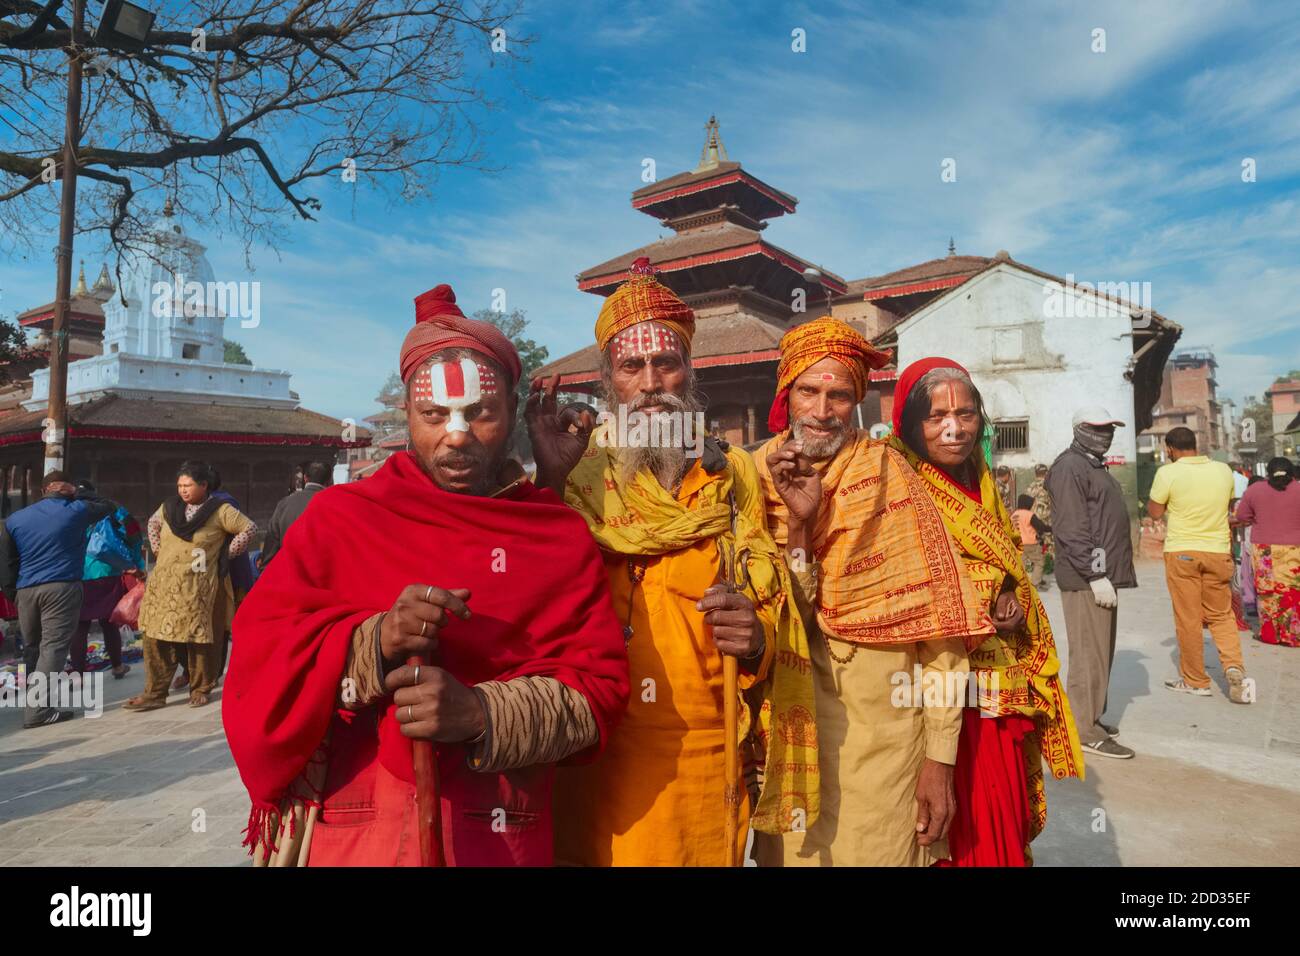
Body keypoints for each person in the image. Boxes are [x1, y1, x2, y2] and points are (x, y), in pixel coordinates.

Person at [224, 285, 629, 867]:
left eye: (480, 413)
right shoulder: (342, 520)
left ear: (513, 411)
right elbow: (261, 654)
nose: (456, 435)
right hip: (359, 823)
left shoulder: (556, 538)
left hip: (501, 828)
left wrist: (482, 714)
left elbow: (602, 693)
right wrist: (375, 642)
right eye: (433, 415)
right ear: (407, 416)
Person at [528, 256, 817, 866]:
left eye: (667, 363)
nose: (651, 380)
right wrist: (548, 485)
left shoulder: (735, 473)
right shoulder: (576, 474)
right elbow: (528, 603)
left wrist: (759, 638)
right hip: (599, 755)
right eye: (632, 366)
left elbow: (776, 599)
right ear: (609, 379)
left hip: (708, 755)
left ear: (689, 372)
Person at [752, 319, 995, 867]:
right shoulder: (750, 477)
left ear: (857, 401)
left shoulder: (893, 476)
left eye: (838, 395)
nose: (821, 410)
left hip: (887, 747)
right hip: (788, 735)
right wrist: (798, 526)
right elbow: (776, 612)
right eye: (808, 391)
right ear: (786, 394)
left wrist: (940, 760)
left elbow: (943, 643)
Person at [891, 358, 1083, 865]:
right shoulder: (895, 486)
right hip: (927, 688)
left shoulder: (981, 482)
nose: (954, 428)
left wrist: (1012, 602)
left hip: (994, 690)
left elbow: (1006, 570)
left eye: (966, 413)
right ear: (912, 424)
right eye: (936, 417)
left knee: (1000, 817)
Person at [124, 461, 256, 711]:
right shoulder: (169, 507)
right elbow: (152, 525)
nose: (183, 490)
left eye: (189, 485)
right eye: (180, 485)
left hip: (198, 586)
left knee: (199, 639)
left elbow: (249, 528)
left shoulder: (220, 510)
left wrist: (225, 553)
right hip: (164, 584)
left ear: (204, 485)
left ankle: (201, 688)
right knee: (155, 637)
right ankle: (155, 692)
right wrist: (159, 549)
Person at [1045, 407, 1138, 758]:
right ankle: (1084, 729)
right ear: (1079, 429)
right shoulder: (1070, 467)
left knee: (1100, 652)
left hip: (1102, 575)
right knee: (1089, 654)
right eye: (1097, 428)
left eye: (1110, 428)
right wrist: (1095, 574)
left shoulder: (1092, 465)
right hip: (1088, 578)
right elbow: (1071, 527)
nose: (1105, 433)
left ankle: (1090, 716)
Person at [0, 472, 117, 727]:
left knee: (32, 648)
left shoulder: (15, 519)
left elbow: (7, 563)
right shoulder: (76, 510)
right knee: (52, 648)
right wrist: (81, 492)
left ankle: (36, 704)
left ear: (42, 490)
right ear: (68, 488)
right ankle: (38, 711)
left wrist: (14, 594)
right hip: (61, 586)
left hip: (26, 590)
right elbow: (109, 506)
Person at [1148, 427, 1248, 703]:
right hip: (1217, 551)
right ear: (1195, 444)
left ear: (1170, 448)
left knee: (1188, 618)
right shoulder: (1222, 470)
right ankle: (1233, 666)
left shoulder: (1168, 473)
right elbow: (1226, 504)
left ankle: (1196, 680)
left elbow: (1155, 512)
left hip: (1182, 553)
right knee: (1221, 614)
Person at [69, 482, 143, 679]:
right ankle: (117, 666)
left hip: (76, 575)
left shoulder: (67, 510)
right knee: (109, 622)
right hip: (107, 572)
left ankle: (78, 674)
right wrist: (136, 562)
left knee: (80, 625)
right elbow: (134, 533)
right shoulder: (111, 508)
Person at [1233, 457, 1300, 647]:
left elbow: (1242, 516)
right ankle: (1292, 636)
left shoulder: (1255, 490)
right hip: (1296, 548)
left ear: (1268, 473)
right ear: (1292, 473)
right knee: (1293, 591)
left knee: (1267, 591)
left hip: (1264, 549)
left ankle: (1270, 634)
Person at [258, 461, 332, 568]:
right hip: (321, 572)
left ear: (305, 478)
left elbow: (272, 540)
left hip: (289, 570)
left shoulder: (284, 503)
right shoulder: (334, 505)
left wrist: (265, 569)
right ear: (329, 480)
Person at [1011, 493, 1051, 587]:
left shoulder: (1014, 515)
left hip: (1017, 544)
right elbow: (1041, 526)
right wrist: (1051, 529)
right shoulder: (1029, 515)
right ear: (1027, 504)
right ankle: (1035, 582)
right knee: (1039, 562)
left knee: (1021, 564)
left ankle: (1019, 583)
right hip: (1031, 543)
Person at [1025, 462, 1053, 588]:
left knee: (1036, 549)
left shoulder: (1029, 487)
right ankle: (1039, 577)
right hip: (1046, 523)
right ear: (1046, 473)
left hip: (1032, 523)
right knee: (1049, 549)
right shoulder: (1049, 486)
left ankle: (1035, 577)